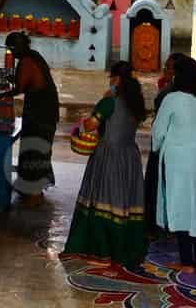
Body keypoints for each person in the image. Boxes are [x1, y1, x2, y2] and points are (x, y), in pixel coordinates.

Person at [62, 61, 149, 268]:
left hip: (108, 155)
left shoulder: (110, 102)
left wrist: (81, 124)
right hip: (129, 156)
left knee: (103, 200)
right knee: (123, 204)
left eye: (111, 77)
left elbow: (90, 125)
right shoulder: (136, 103)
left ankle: (101, 252)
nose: (109, 81)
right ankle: (123, 250)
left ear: (117, 79)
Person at [151, 55, 196, 274]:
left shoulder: (173, 99)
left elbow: (158, 132)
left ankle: (186, 262)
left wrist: (156, 148)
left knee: (180, 205)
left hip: (177, 161)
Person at [0, 31, 59, 202]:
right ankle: (31, 189)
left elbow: (20, 88)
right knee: (38, 147)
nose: (10, 52)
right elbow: (24, 81)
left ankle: (34, 194)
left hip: (41, 111)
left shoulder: (26, 61)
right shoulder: (33, 56)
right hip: (46, 108)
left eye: (10, 48)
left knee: (35, 149)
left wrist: (3, 94)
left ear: (16, 48)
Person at [144, 53, 183, 239]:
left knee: (158, 185)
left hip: (164, 146)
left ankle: (157, 225)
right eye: (165, 67)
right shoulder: (172, 89)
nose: (165, 71)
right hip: (170, 146)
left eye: (170, 68)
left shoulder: (171, 94)